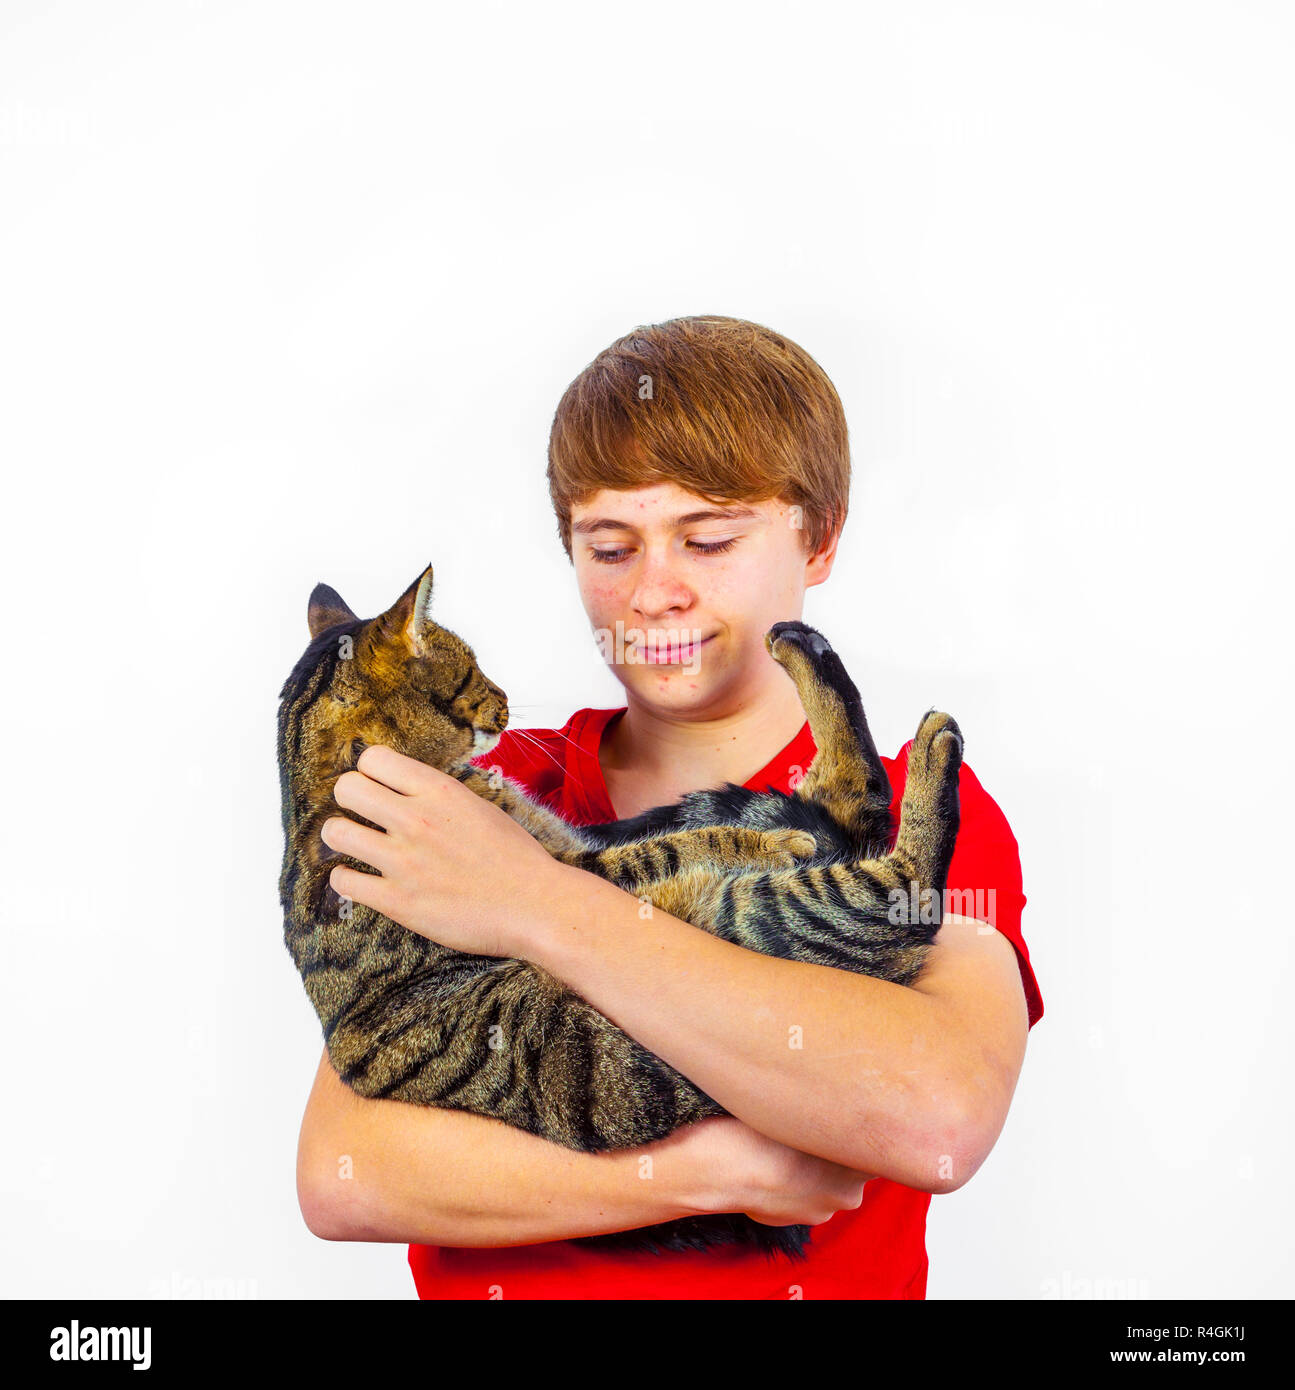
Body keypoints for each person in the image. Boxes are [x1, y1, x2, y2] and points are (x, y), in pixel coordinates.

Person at [298, 315, 1044, 1300]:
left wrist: (529, 903)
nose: (653, 592)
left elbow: (933, 1115)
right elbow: (344, 1167)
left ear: (817, 537)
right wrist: (706, 1171)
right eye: (609, 547)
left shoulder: (917, 799)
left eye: (707, 539)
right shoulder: (484, 789)